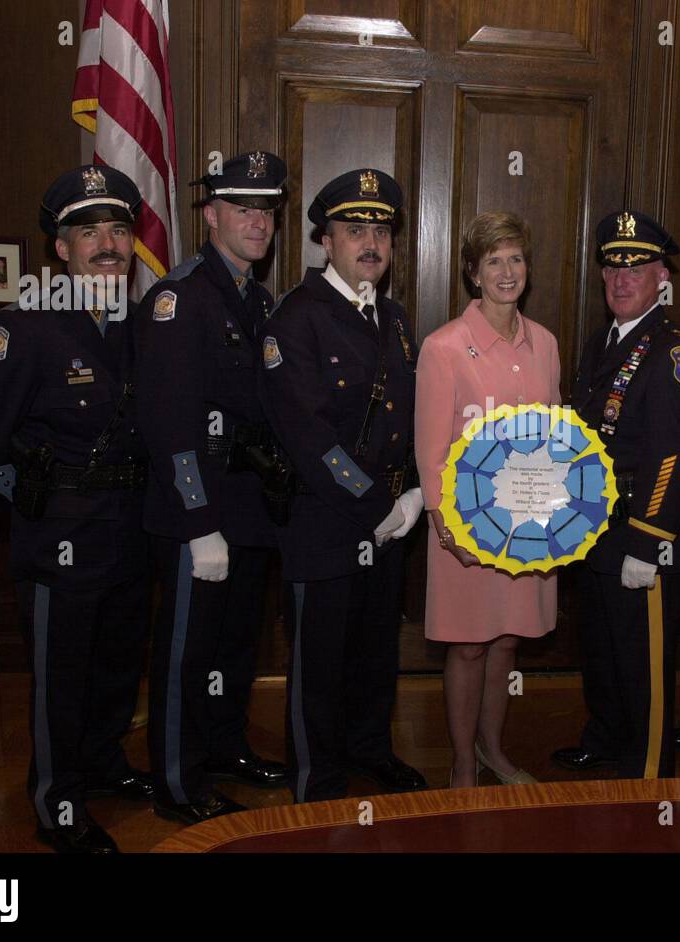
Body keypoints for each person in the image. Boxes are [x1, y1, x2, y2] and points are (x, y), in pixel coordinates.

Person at [0, 165, 152, 854]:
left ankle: (102, 764)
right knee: (61, 676)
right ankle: (56, 802)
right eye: (89, 231)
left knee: (116, 665)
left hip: (130, 530)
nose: (108, 244)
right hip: (61, 535)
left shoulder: (140, 324)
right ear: (60, 250)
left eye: (120, 230)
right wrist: (34, 511)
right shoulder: (26, 327)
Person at [262, 168, 427, 802]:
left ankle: (369, 749)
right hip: (325, 520)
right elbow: (306, 435)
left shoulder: (395, 315)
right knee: (319, 662)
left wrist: (412, 494)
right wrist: (376, 504)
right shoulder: (296, 318)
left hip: (391, 520)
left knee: (373, 650)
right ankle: (318, 776)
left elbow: (409, 416)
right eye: (354, 229)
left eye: (381, 230)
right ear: (324, 241)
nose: (370, 243)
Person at [135, 150, 289, 825]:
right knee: (186, 651)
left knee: (234, 647)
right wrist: (198, 522)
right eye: (243, 208)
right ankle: (175, 779)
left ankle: (225, 748)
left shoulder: (257, 299)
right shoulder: (180, 297)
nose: (258, 222)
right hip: (198, 508)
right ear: (211, 214)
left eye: (267, 210)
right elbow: (169, 421)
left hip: (249, 504)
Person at [551, 210, 680, 779]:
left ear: (662, 276)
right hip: (596, 527)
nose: (621, 279)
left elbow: (676, 455)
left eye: (636, 268)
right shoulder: (601, 344)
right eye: (612, 267)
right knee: (604, 652)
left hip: (646, 537)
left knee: (643, 666)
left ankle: (646, 773)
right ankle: (608, 739)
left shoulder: (673, 351)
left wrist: (646, 539)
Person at [416, 211, 560, 787]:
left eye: (516, 258)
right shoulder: (444, 347)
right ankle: (460, 762)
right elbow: (430, 452)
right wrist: (444, 525)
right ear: (473, 273)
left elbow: (557, 439)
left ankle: (493, 751)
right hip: (466, 525)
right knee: (470, 646)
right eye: (493, 261)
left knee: (506, 643)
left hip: (529, 523)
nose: (506, 271)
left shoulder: (545, 343)